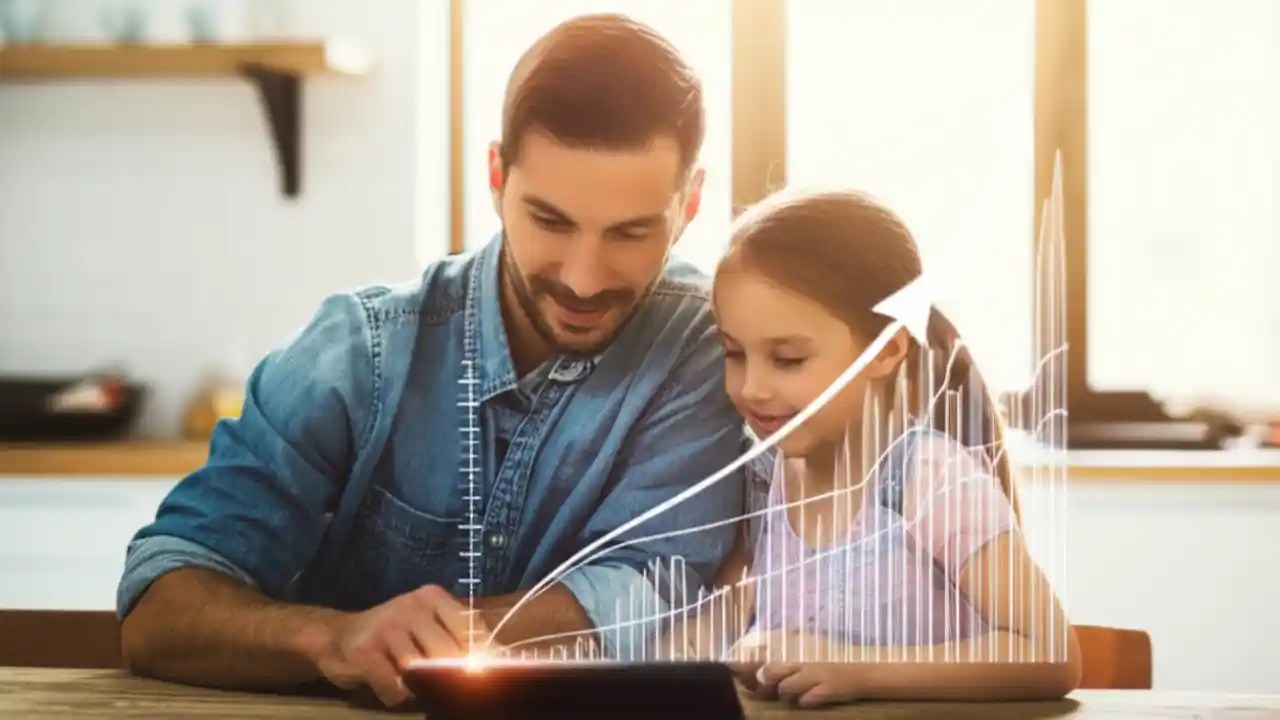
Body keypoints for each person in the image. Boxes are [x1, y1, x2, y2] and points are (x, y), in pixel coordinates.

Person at [116, 14, 745, 709]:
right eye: (551, 221)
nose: (585, 278)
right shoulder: (360, 352)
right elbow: (159, 607)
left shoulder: (703, 349)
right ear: (497, 176)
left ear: (687, 204)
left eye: (631, 232)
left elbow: (654, 586)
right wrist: (337, 639)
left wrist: (437, 641)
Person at [672, 188, 1081, 707]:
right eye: (733, 353)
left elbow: (1050, 654)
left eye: (789, 358)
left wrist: (858, 672)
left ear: (885, 349)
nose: (752, 387)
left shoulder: (930, 478)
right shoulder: (765, 476)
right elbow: (724, 619)